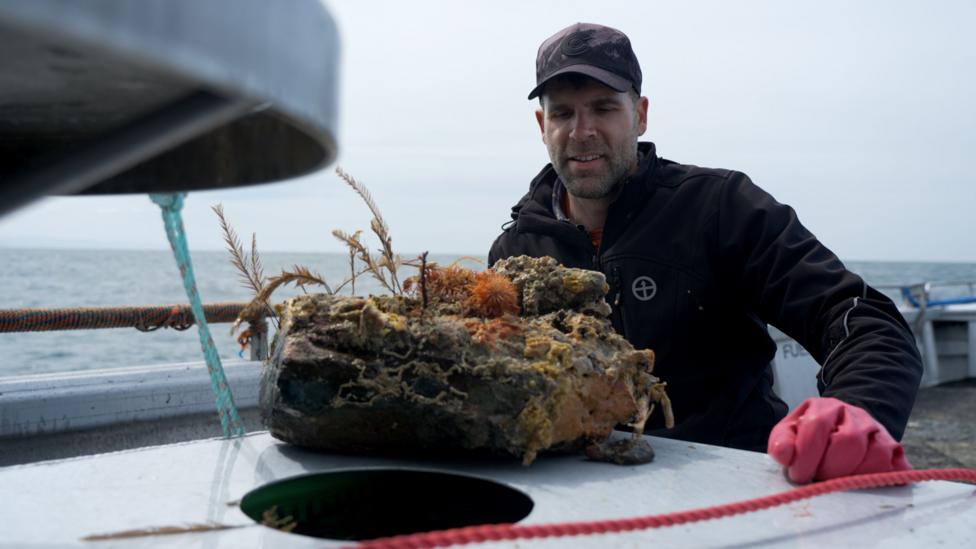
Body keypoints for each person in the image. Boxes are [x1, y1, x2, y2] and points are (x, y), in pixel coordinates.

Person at [488, 22, 922, 483]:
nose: (582, 131)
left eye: (604, 108)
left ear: (640, 114)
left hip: (732, 481)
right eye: (562, 114)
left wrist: (855, 409)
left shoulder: (720, 207)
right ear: (542, 125)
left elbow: (860, 318)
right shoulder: (516, 251)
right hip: (576, 489)